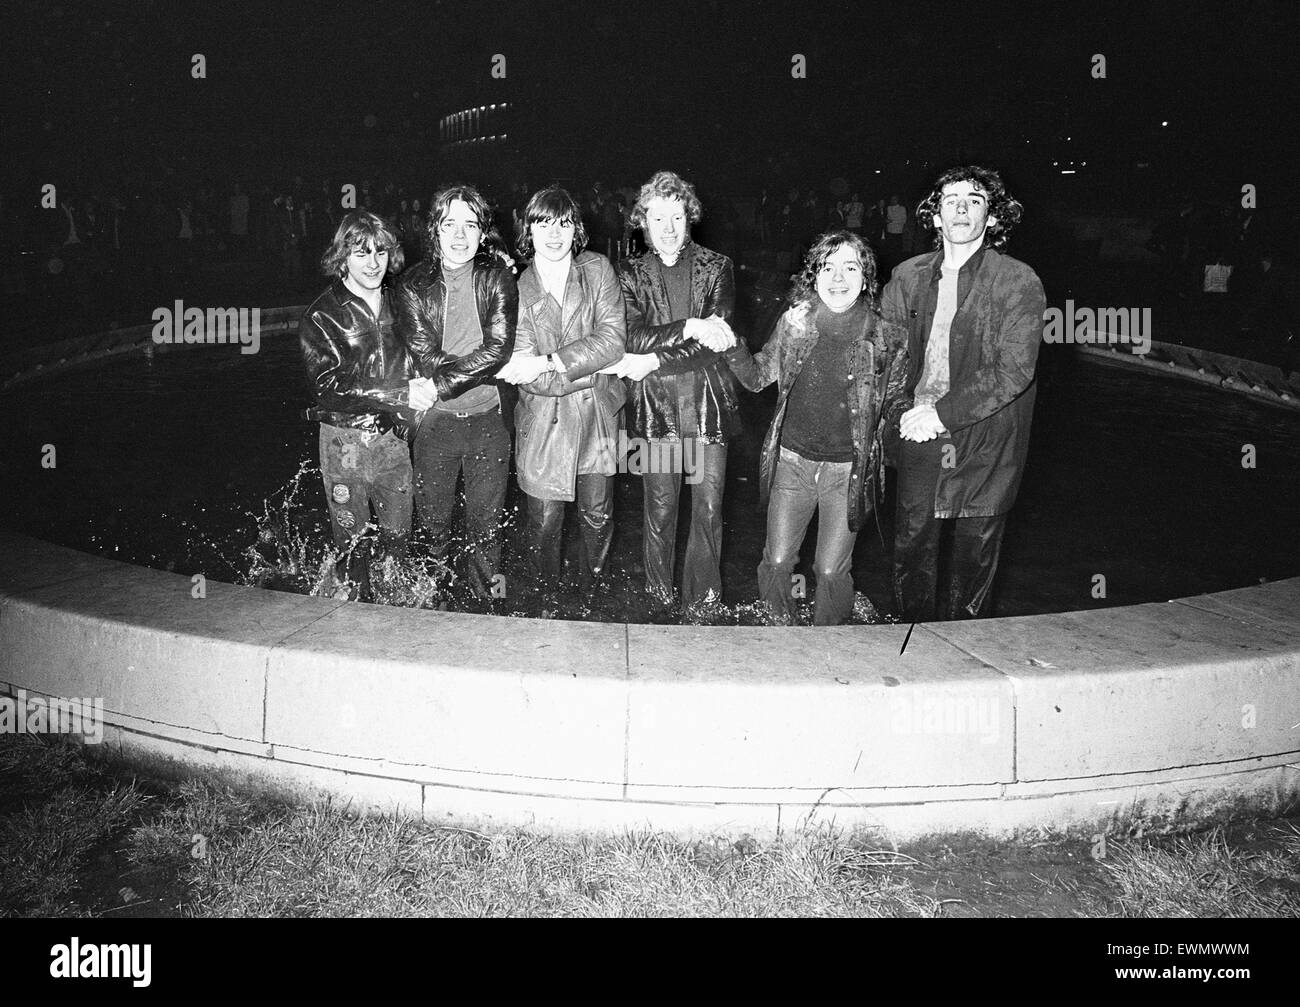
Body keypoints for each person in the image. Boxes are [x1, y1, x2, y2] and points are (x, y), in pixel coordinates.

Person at [707, 231, 908, 624]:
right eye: (827, 267)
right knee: (778, 561)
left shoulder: (889, 338)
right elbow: (758, 376)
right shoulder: (795, 324)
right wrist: (731, 345)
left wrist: (914, 417)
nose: (837, 277)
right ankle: (780, 639)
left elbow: (897, 400)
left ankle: (826, 649)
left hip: (848, 473)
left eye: (850, 267)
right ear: (814, 276)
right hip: (792, 462)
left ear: (866, 278)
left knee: (831, 571)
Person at [883, 166, 1045, 622]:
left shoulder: (1018, 281)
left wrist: (940, 412)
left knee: (973, 557)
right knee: (911, 547)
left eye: (974, 199)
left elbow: (1014, 369)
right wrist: (902, 411)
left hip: (986, 438)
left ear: (992, 218)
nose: (960, 207)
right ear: (934, 216)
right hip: (918, 432)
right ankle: (909, 648)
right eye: (950, 199)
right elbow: (886, 353)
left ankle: (967, 657)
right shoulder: (908, 275)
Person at [604, 170, 740, 615]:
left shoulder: (718, 267)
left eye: (676, 216)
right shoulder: (627, 272)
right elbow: (631, 337)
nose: (667, 227)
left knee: (707, 512)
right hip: (655, 415)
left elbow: (714, 344)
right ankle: (659, 601)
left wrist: (658, 360)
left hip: (706, 414)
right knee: (659, 513)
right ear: (644, 221)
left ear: (689, 218)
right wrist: (688, 325)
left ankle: (703, 603)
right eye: (658, 217)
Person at [496, 186, 626, 591]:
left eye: (564, 223)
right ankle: (545, 599)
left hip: (599, 419)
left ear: (576, 230)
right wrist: (597, 370)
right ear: (528, 231)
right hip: (544, 424)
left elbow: (614, 340)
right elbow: (524, 372)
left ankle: (596, 592)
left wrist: (551, 360)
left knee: (598, 514)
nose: (555, 233)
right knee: (544, 521)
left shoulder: (598, 269)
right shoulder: (513, 287)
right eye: (543, 223)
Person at [299, 211, 437, 592]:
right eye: (361, 253)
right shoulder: (322, 316)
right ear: (342, 257)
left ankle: (396, 625)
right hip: (343, 444)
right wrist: (398, 394)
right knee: (351, 546)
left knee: (399, 542)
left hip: (393, 440)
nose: (373, 263)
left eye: (380, 251)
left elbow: (425, 354)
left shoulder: (403, 302)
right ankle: (352, 620)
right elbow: (328, 386)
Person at [393, 185, 517, 600]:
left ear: (483, 233)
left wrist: (437, 385)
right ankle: (434, 600)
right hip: (435, 425)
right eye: (450, 225)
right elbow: (427, 359)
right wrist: (444, 379)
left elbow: (498, 351)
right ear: (435, 230)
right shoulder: (410, 284)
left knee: (488, 528)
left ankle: (487, 607)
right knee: (432, 526)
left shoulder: (498, 278)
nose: (460, 236)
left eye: (470, 225)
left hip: (489, 422)